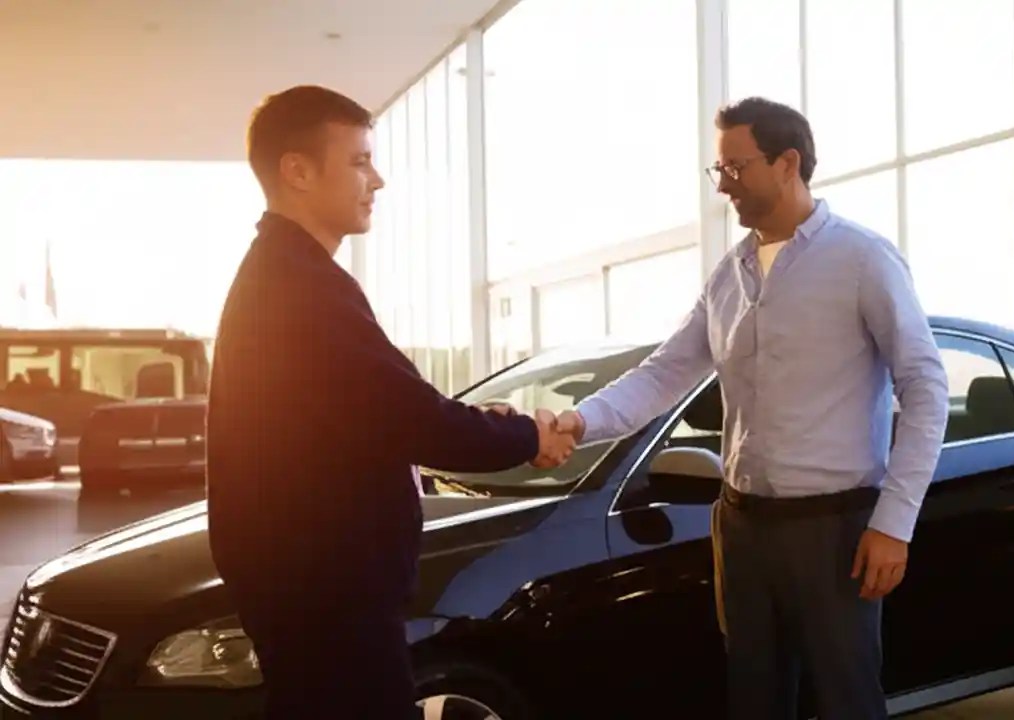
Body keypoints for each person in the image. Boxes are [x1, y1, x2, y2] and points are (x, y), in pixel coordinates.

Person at [554, 97, 949, 719]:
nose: (724, 186)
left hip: (834, 530)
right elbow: (664, 373)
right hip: (741, 528)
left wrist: (894, 522)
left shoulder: (862, 260)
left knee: (847, 701)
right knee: (753, 700)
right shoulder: (728, 276)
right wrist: (579, 422)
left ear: (787, 163)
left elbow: (925, 388)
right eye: (720, 170)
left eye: (736, 168)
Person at [205, 85, 575, 720]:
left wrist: (484, 425)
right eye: (359, 161)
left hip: (308, 585)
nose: (376, 180)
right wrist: (526, 438)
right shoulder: (301, 285)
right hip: (326, 591)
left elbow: (367, 411)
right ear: (297, 171)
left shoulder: (284, 274)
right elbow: (409, 415)